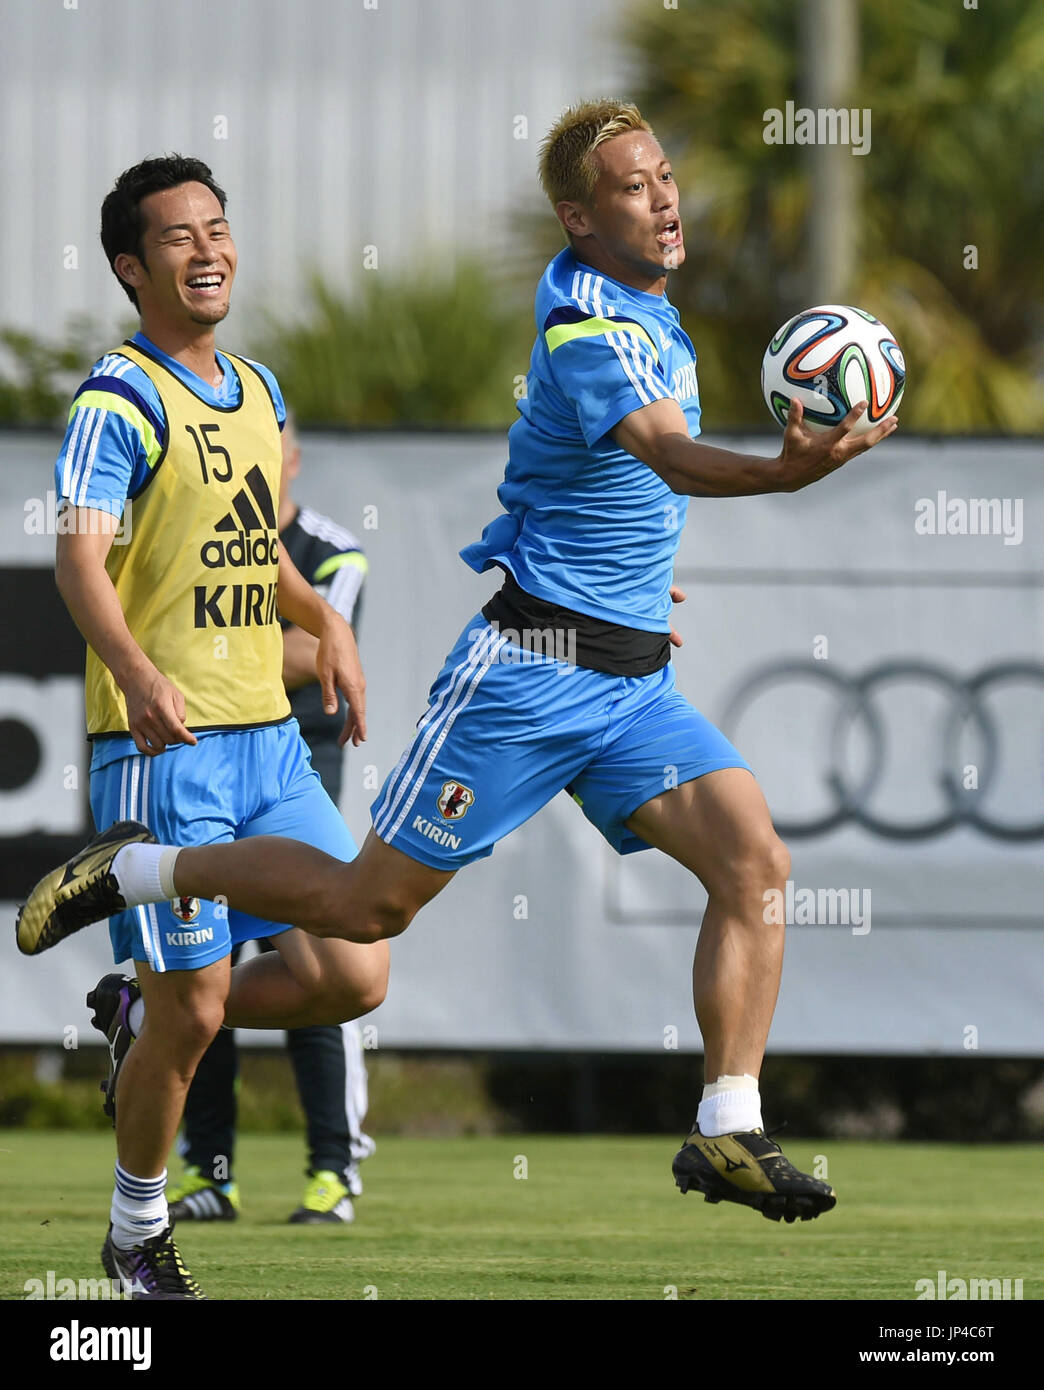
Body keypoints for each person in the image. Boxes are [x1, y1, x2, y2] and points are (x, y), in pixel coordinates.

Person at [19, 102, 899, 1236]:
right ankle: (143, 876)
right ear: (580, 217)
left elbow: (614, 495)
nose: (667, 198)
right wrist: (781, 476)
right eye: (635, 187)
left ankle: (727, 1121)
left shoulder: (649, 311)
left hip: (626, 679)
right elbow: (668, 455)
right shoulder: (590, 326)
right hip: (528, 673)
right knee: (363, 913)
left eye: (667, 176)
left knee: (755, 862)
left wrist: (624, 595)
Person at [25, 154, 388, 1299]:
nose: (209, 249)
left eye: (219, 228)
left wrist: (321, 615)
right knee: (196, 1013)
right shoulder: (116, 399)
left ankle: (134, 998)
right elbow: (77, 553)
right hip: (164, 751)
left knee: (356, 969)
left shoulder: (259, 390)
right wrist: (131, 667)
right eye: (179, 237)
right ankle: (137, 1234)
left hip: (268, 739)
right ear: (133, 268)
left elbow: (254, 540)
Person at [167, 413, 374, 1227]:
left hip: (298, 766)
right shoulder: (208, 532)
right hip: (209, 763)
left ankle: (332, 1172)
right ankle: (209, 1172)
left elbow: (311, 648)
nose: (259, 458)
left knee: (324, 968)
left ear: (290, 457)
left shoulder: (331, 551)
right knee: (206, 958)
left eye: (271, 445)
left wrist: (204, 641)